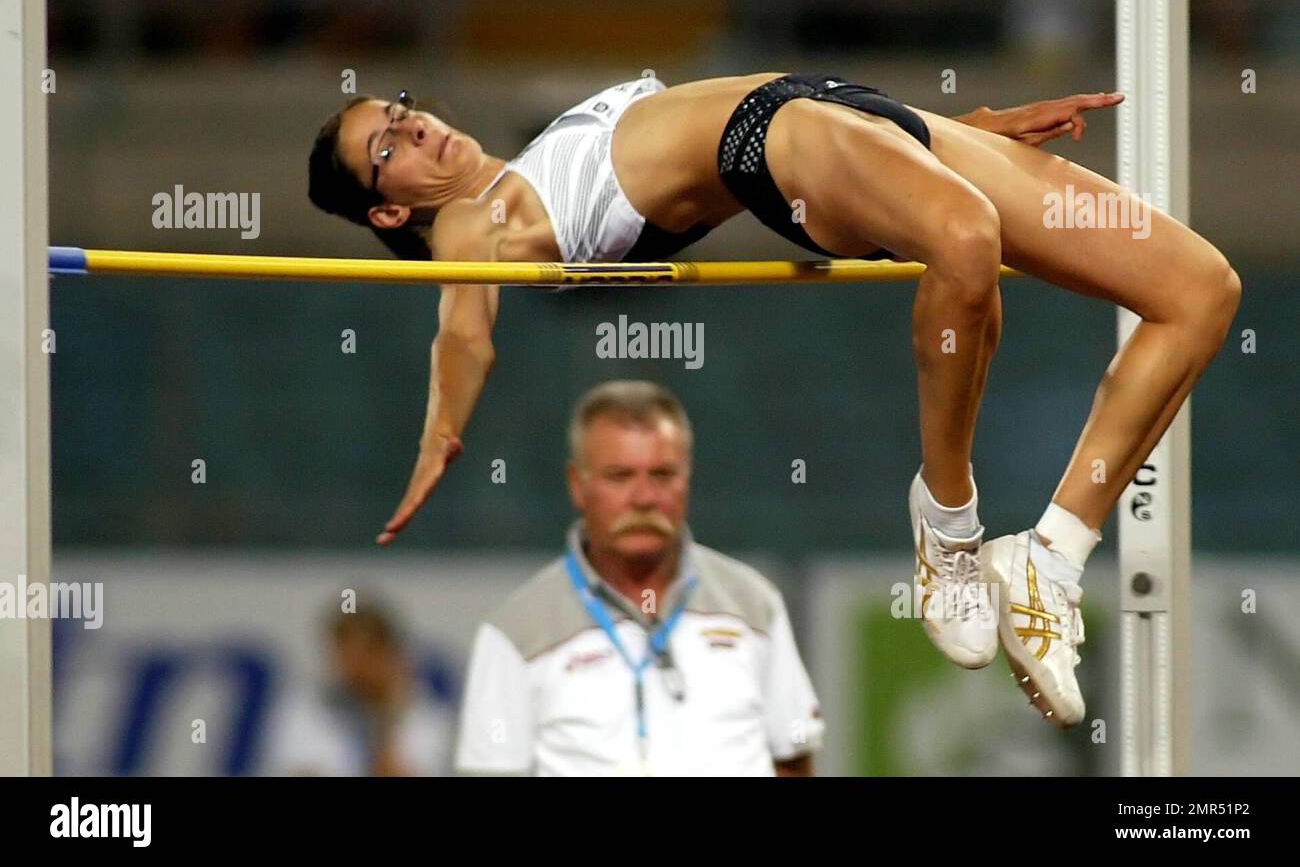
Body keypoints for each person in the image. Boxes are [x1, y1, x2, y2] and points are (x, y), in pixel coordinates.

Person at [307, 71, 1240, 727]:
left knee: (1200, 292)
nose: (418, 126)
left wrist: (964, 129)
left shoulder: (525, 166)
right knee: (965, 239)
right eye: (388, 146)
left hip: (858, 115)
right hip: (783, 141)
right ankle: (948, 530)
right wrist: (440, 432)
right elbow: (463, 327)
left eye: (401, 109)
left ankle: (1051, 559)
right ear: (389, 211)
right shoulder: (474, 222)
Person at [454, 380, 822, 776]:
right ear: (578, 485)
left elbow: (794, 755)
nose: (644, 498)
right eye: (619, 476)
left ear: (688, 479)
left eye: (663, 474)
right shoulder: (515, 631)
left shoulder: (754, 605)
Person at [263, 602, 454, 776]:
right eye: (342, 658)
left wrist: (386, 726)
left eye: (363, 657)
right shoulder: (307, 712)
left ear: (391, 655)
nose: (351, 672)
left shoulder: (428, 721)